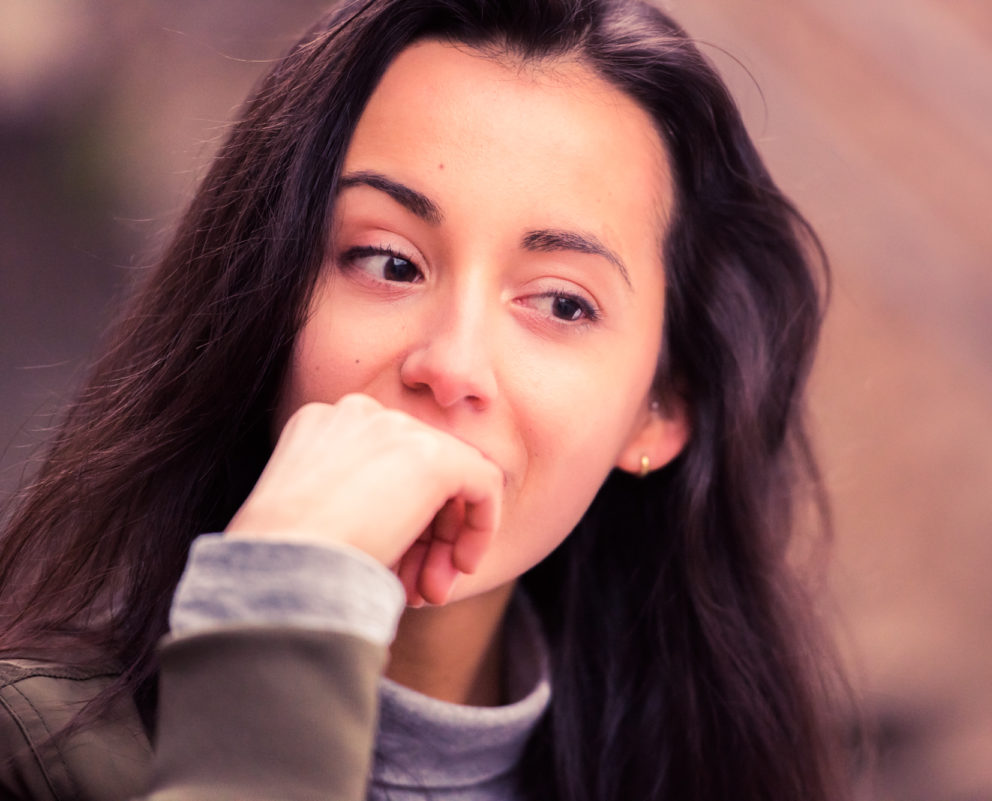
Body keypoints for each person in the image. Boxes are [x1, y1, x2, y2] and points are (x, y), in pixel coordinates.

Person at [0, 0, 848, 798]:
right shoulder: (28, 746)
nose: (451, 363)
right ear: (262, 295)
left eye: (560, 302)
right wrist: (282, 603)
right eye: (388, 261)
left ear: (659, 408)